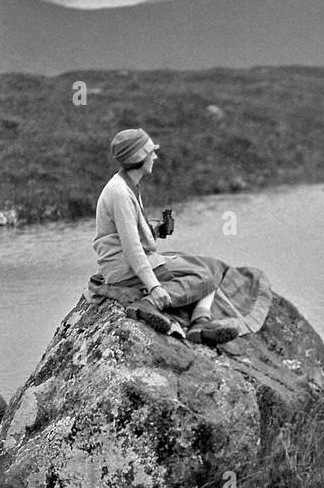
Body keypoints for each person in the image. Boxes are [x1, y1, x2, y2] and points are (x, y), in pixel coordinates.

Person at [93, 128, 240, 344]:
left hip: (129, 262)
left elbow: (127, 233)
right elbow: (132, 248)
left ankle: (199, 325)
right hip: (124, 268)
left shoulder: (127, 185)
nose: (155, 156)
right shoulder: (120, 193)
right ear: (140, 157)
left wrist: (154, 230)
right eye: (151, 152)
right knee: (204, 278)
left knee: (203, 266)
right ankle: (150, 304)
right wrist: (155, 287)